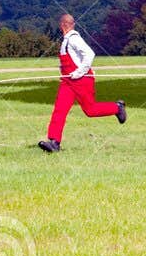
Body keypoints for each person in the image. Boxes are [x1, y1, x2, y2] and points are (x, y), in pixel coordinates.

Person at [39, 13, 125, 153]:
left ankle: (117, 107)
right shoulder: (65, 41)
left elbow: (90, 54)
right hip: (68, 82)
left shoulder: (74, 39)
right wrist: (63, 71)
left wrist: (79, 72)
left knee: (90, 110)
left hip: (82, 80)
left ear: (62, 26)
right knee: (59, 110)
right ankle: (54, 142)